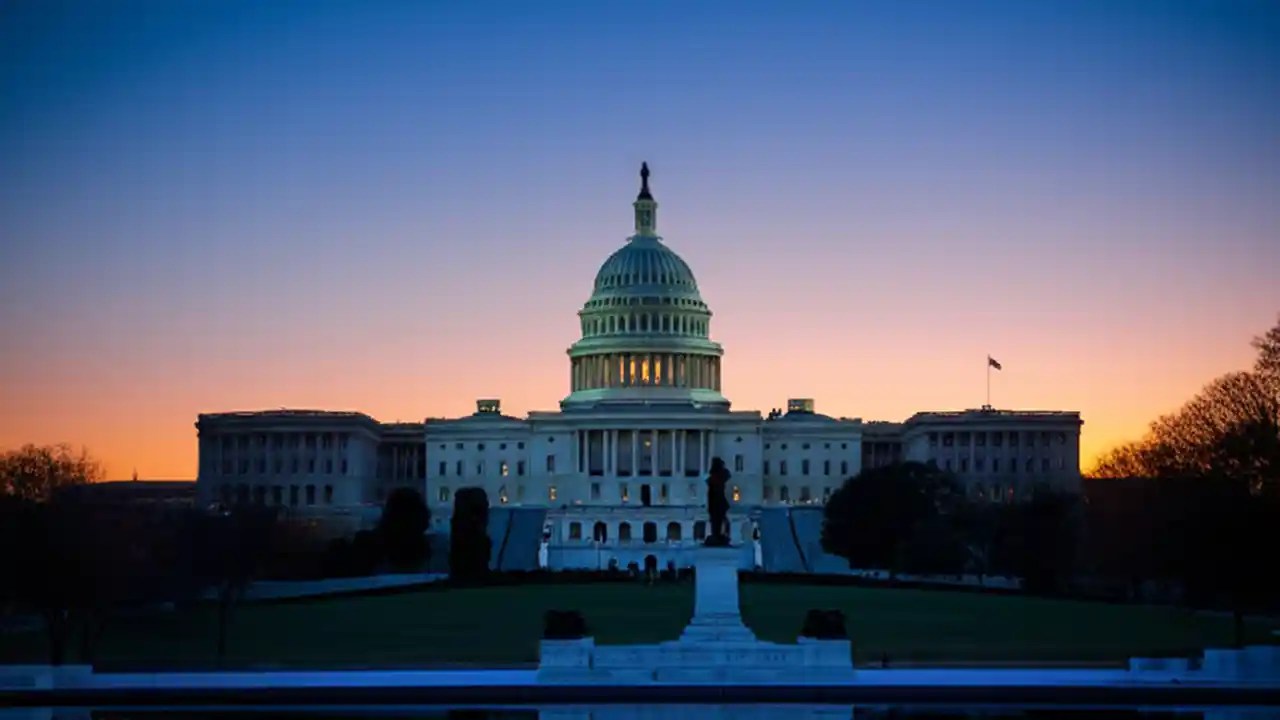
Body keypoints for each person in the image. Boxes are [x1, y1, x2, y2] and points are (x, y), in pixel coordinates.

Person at [705, 457, 731, 545]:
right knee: (718, 521)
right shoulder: (717, 478)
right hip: (717, 504)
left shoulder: (714, 478)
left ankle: (717, 536)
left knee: (717, 521)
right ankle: (717, 536)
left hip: (716, 504)